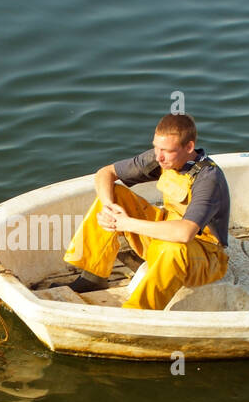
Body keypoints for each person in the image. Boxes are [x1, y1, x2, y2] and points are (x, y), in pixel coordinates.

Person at [62, 113, 230, 310]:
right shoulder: (163, 158)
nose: (158, 156)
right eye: (156, 147)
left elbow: (184, 233)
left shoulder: (208, 179)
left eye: (166, 151)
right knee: (113, 195)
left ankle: (137, 313)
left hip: (204, 255)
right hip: (164, 232)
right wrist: (110, 207)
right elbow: (105, 173)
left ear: (189, 147)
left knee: (173, 249)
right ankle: (93, 277)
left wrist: (125, 224)